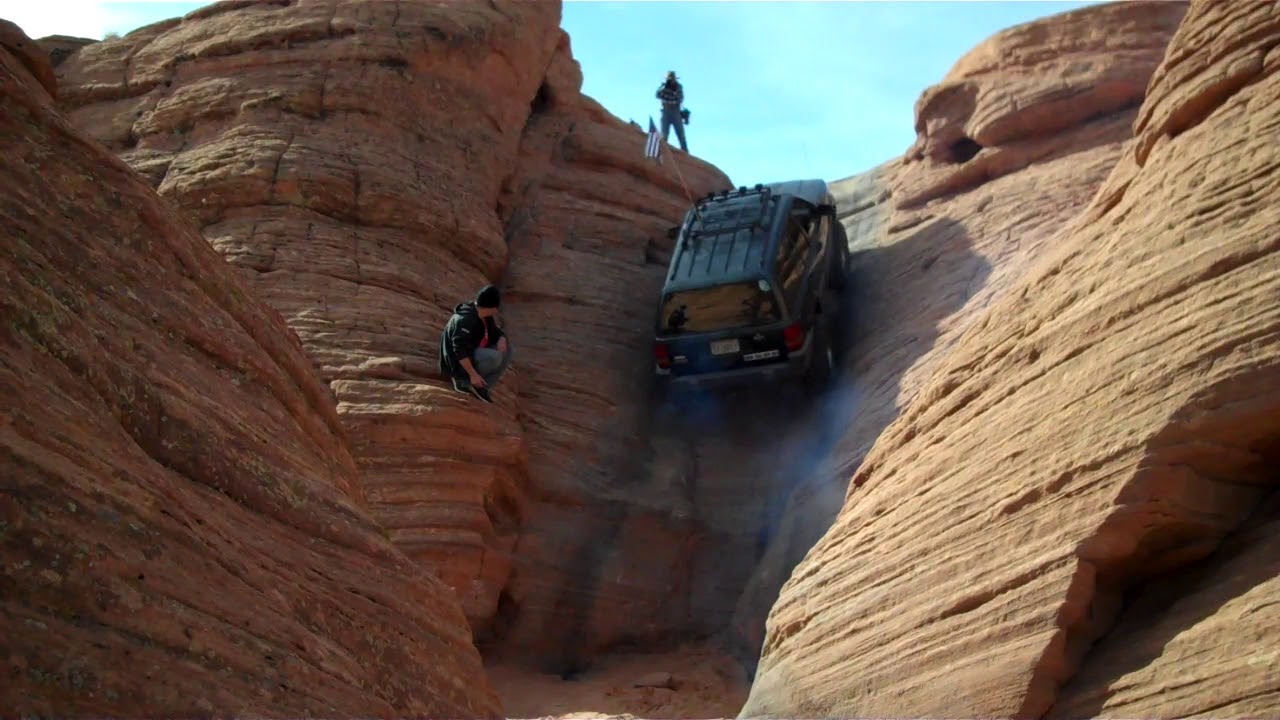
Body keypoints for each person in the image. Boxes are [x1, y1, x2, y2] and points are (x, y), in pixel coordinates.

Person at [438, 284, 512, 403]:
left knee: (508, 351)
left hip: (472, 352)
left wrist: (501, 338)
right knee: (494, 357)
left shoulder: (484, 315)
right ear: (491, 307)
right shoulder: (466, 319)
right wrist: (472, 374)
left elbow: (495, 331)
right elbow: (458, 349)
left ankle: (482, 387)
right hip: (457, 363)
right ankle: (463, 381)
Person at [656, 70, 688, 152]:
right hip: (666, 112)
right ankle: (662, 152)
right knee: (664, 134)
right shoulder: (664, 86)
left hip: (675, 112)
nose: (671, 80)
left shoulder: (678, 87)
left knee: (681, 135)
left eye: (672, 79)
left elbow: (680, 99)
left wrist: (670, 95)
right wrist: (665, 87)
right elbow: (657, 95)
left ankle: (685, 153)